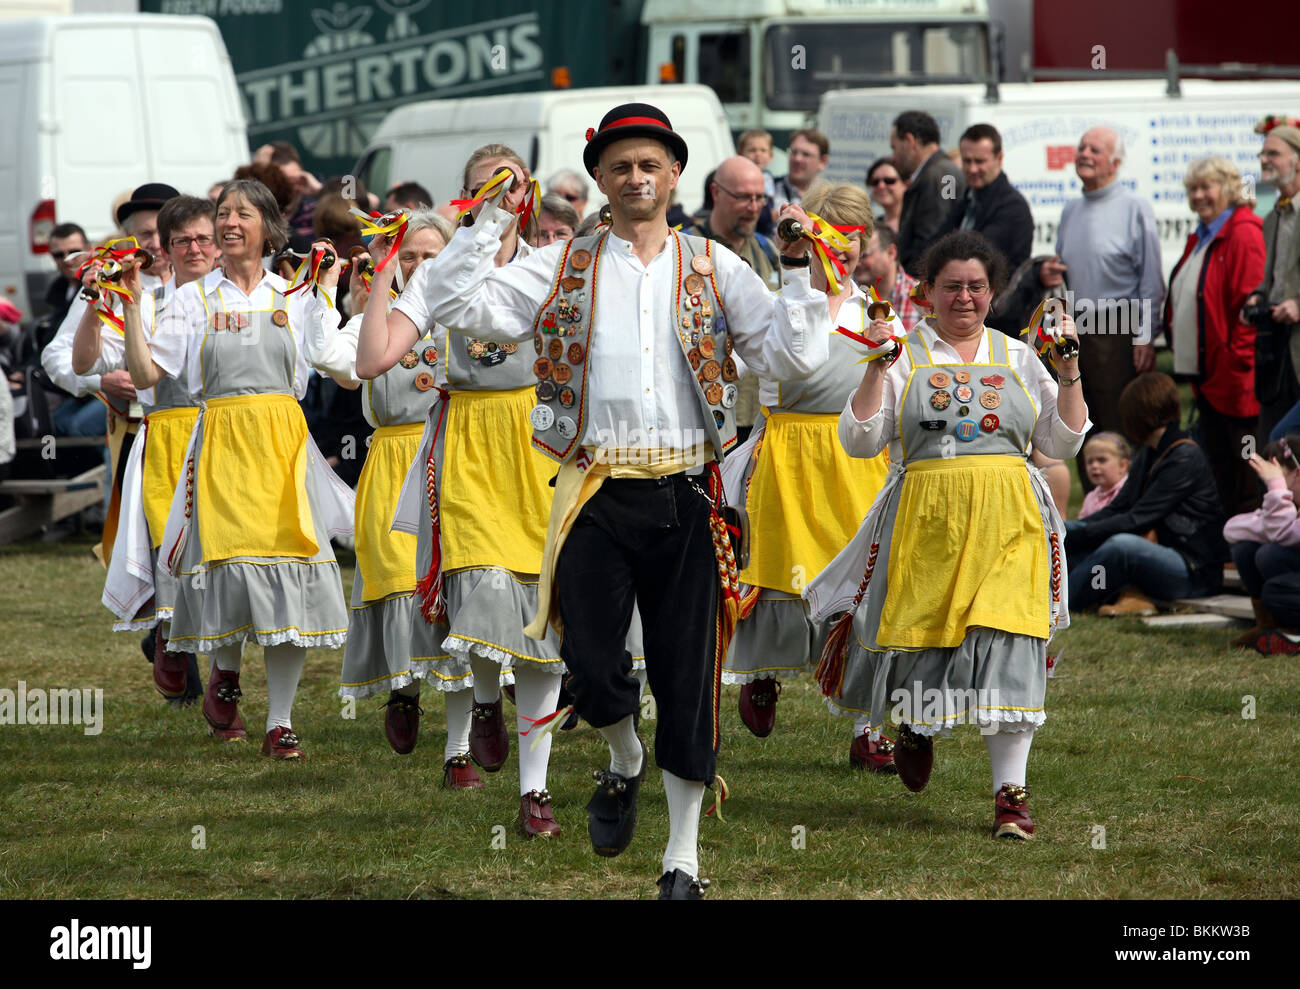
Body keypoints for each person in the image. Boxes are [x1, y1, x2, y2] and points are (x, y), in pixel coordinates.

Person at [406, 102, 831, 897]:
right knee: (593, 668)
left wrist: (803, 272)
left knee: (687, 678)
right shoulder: (562, 261)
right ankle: (624, 754)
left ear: (673, 175)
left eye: (649, 165)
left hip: (686, 495)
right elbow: (459, 307)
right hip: (592, 492)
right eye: (619, 166)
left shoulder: (713, 264)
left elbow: (790, 357)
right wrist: (490, 214)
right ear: (599, 178)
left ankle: (682, 858)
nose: (635, 178)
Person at [805, 230, 1088, 841]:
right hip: (926, 520)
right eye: (952, 286)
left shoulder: (1016, 355)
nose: (965, 297)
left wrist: (1068, 372)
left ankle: (1009, 795)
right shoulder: (901, 353)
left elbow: (1060, 444)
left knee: (1012, 638)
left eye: (977, 287)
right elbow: (860, 441)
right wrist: (875, 371)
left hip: (1010, 517)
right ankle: (918, 723)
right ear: (926, 291)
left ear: (993, 292)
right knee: (926, 643)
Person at [356, 144, 572, 835]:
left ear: (526, 194)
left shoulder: (551, 266)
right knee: (479, 585)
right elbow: (371, 359)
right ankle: (483, 696)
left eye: (506, 187)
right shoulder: (442, 272)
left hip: (537, 439)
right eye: (481, 188)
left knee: (540, 615)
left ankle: (535, 791)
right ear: (465, 198)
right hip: (470, 441)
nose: (494, 198)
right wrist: (385, 271)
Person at [122, 177, 353, 761]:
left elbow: (338, 365)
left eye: (242, 214)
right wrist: (128, 305)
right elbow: (148, 378)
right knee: (228, 564)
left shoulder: (294, 294)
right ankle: (224, 671)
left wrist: (336, 290)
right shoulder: (191, 300)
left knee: (288, 571)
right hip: (220, 441)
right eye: (223, 212)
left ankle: (280, 720)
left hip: (282, 443)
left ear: (268, 228)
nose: (228, 223)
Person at [720, 182, 894, 769]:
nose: (841, 252)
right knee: (777, 574)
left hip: (856, 458)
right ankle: (762, 673)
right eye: (831, 237)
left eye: (854, 242)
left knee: (863, 588)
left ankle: (868, 728)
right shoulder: (779, 302)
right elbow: (734, 362)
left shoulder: (878, 313)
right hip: (788, 452)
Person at [305, 209, 460, 756]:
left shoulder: (467, 310)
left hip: (456, 455)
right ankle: (403, 689)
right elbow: (327, 357)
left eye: (429, 256)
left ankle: (460, 746)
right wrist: (327, 292)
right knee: (399, 583)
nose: (418, 266)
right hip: (394, 462)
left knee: (454, 588)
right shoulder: (377, 320)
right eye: (408, 255)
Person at [74, 195, 220, 709]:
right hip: (163, 436)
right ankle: (170, 638)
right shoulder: (149, 301)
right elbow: (83, 360)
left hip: (224, 434)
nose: (192, 249)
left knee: (223, 556)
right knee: (172, 554)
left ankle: (218, 677)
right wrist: (97, 303)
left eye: (204, 238)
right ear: (168, 250)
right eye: (181, 241)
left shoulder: (236, 298)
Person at [1044, 126, 1164, 493]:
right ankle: (1096, 505)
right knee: (1079, 420)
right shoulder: (1071, 209)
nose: (1084, 153)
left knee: (1115, 425)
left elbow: (1150, 279)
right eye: (1081, 147)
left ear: (1115, 161)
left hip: (1118, 328)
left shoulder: (1134, 208)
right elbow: (1064, 272)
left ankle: (1125, 502)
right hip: (1076, 328)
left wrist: (1145, 336)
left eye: (1094, 149)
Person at [1065, 372, 1225, 615]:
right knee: (1072, 538)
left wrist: (1084, 531)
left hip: (1194, 571)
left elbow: (1138, 519)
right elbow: (1118, 508)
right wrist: (1072, 530)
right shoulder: (1149, 453)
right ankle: (1041, 593)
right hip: (1166, 556)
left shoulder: (1184, 456)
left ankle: (1057, 606)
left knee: (1120, 546)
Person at [1163, 156, 1265, 516]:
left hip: (1235, 378)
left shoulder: (1243, 232)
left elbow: (1249, 308)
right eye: (1193, 189)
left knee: (1245, 467)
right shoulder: (1203, 235)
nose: (1199, 196)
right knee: (1222, 465)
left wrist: (1238, 363)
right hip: (1209, 377)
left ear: (1229, 189)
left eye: (1207, 187)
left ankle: (1248, 551)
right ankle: (1232, 545)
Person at [1243, 124, 1300, 438]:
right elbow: (1273, 279)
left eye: (1273, 153)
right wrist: (1257, 297)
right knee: (1275, 442)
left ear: (1298, 161)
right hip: (1277, 350)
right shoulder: (1273, 217)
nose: (1264, 160)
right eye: (1262, 153)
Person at [1222, 436, 1300, 649]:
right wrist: (1269, 522)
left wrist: (1277, 488)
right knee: (1245, 549)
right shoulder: (1288, 508)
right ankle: (1267, 625)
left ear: (1298, 473)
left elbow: (1282, 534)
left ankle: (1290, 629)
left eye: (1280, 479)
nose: (1274, 490)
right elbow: (1232, 529)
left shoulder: (1281, 500)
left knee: (1271, 566)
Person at [930, 124, 1033, 272]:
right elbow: (933, 246)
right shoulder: (967, 198)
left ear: (999, 158)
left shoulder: (1013, 207)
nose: (972, 169)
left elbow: (974, 254)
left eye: (979, 161)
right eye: (967, 161)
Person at [684, 156, 779, 289]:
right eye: (744, 197)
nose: (754, 208)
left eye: (759, 198)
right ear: (716, 193)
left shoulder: (767, 249)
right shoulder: (684, 248)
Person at [891, 112, 966, 275]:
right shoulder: (940, 173)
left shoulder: (943, 174)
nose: (893, 157)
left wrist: (915, 278)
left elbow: (938, 235)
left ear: (910, 141)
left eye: (894, 147)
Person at [854, 225, 923, 329]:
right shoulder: (845, 296)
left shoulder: (921, 297)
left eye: (864, 255)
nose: (857, 262)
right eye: (855, 255)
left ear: (891, 252)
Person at [770, 129, 829, 222]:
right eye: (793, 152)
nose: (797, 159)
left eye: (806, 154)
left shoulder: (829, 197)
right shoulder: (768, 190)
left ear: (823, 161)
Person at [1077, 432, 1131, 519]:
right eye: (1090, 461)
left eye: (1102, 460)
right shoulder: (1091, 497)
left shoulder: (1128, 492)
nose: (1094, 466)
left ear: (1122, 465)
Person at [736, 128, 777, 237]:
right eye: (752, 150)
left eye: (763, 150)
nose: (758, 154)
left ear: (771, 155)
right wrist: (769, 215)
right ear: (740, 154)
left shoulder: (769, 177)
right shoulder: (739, 179)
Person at [866, 158, 905, 234]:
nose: (881, 186)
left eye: (889, 181)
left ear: (906, 184)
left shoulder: (917, 223)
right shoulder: (871, 228)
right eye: (875, 182)